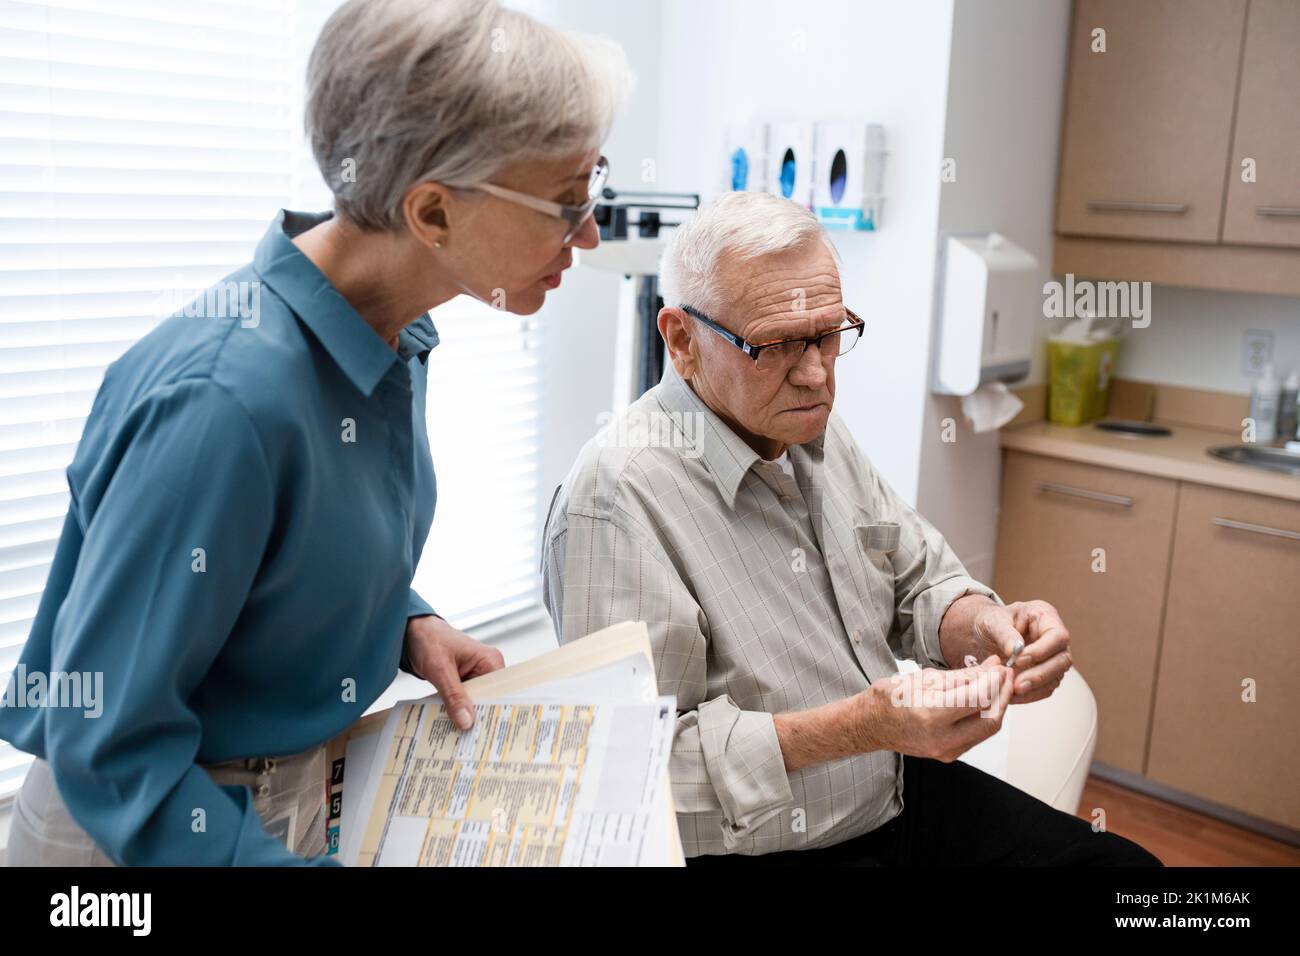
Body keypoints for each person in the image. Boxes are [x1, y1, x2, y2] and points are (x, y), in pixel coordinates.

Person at [1, 0, 630, 866]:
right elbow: (106, 741)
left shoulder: (390, 335)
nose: (589, 233)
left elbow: (277, 550)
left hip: (278, 796)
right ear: (433, 214)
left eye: (592, 187)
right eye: (564, 202)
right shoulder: (221, 400)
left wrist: (402, 621)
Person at [541, 192, 1161, 866]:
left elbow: (918, 578)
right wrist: (857, 727)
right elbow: (629, 778)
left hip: (890, 793)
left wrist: (985, 626)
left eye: (829, 334)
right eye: (776, 344)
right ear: (682, 340)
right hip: (767, 849)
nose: (815, 376)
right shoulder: (616, 498)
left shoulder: (804, 424)